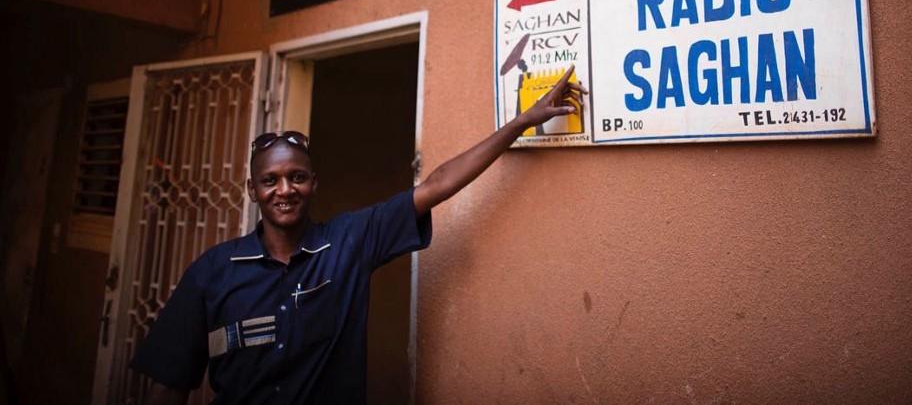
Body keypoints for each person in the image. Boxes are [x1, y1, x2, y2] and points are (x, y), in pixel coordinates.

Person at [131, 66, 586, 404]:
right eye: (271, 181)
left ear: (314, 183)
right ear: (252, 190)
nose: (285, 190)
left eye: (297, 177)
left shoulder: (348, 241)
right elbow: (170, 383)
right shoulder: (214, 272)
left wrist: (520, 123)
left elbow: (437, 184)